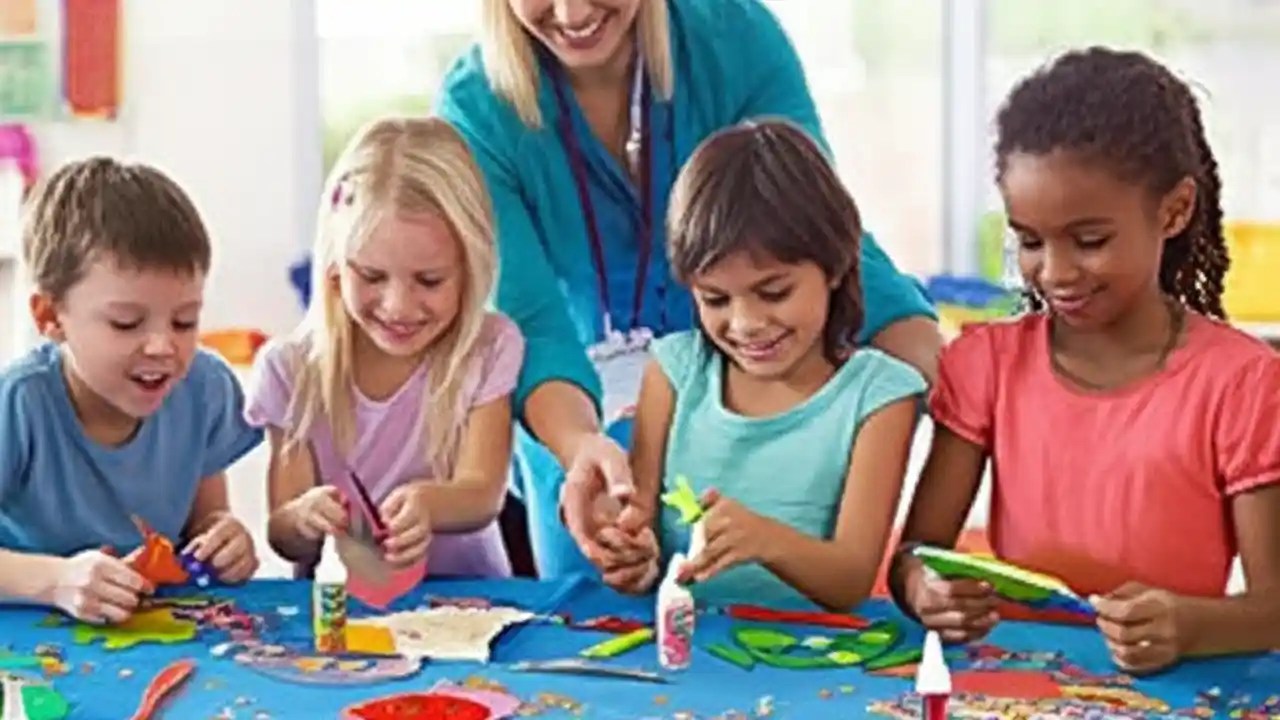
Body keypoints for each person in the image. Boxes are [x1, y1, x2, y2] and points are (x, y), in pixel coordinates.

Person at [436, 0, 942, 579]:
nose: (573, 12)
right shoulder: (475, 111)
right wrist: (582, 449)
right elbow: (530, 321)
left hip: (747, 384)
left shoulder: (735, 37)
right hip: (576, 409)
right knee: (600, 604)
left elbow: (821, 232)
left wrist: (944, 373)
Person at [889, 47, 1280, 674]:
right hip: (1012, 686)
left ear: (1175, 210)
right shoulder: (986, 365)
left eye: (1090, 241)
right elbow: (917, 553)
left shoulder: (1240, 381)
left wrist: (1188, 625)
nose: (1057, 272)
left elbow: (1273, 608)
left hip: (1177, 688)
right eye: (1030, 241)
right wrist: (923, 590)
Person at [593, 120, 927, 609]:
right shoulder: (674, 370)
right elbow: (640, 523)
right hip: (685, 655)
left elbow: (851, 581)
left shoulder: (878, 396)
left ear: (834, 266)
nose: (746, 323)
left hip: (811, 663)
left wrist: (767, 540)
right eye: (715, 299)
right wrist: (632, 555)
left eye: (774, 292)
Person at [246, 116, 524, 581]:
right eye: (371, 277)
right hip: (342, 618)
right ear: (335, 264)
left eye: (430, 281)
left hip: (475, 605)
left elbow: (482, 493)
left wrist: (427, 503)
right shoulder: (290, 369)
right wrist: (305, 516)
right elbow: (282, 532)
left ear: (471, 267)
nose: (398, 307)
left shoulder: (489, 347)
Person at [0, 157, 264, 623]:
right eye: (126, 323)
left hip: (157, 632)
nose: (164, 346)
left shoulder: (204, 388)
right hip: (30, 638)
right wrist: (55, 580)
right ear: (49, 317)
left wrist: (224, 537)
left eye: (185, 321)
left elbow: (205, 517)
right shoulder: (20, 403)